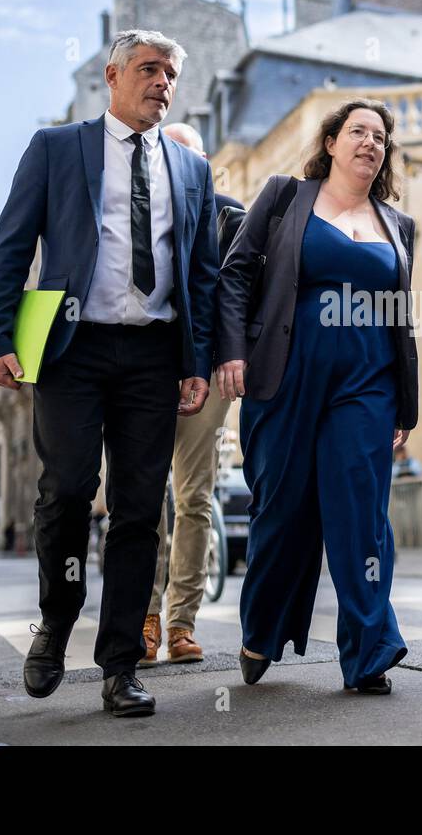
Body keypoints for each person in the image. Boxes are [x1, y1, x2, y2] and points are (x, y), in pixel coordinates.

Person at [0, 28, 218, 717]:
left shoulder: (191, 170)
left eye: (171, 75)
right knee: (67, 491)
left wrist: (194, 361)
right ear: (112, 77)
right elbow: (11, 244)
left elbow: (200, 275)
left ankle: (120, 665)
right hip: (71, 350)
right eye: (148, 69)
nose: (161, 84)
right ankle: (55, 622)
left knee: (141, 508)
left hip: (151, 354)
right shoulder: (57, 149)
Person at [216, 97, 418, 695]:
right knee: (284, 511)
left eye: (380, 136)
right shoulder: (284, 197)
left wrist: (404, 403)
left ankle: (369, 651)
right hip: (285, 375)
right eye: (357, 131)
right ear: (331, 142)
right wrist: (230, 351)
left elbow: (400, 317)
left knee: (362, 514)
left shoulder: (398, 225)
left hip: (367, 382)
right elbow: (236, 274)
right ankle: (262, 629)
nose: (370, 143)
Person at [137, 121, 243, 666]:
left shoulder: (231, 215)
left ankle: (181, 624)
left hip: (206, 371)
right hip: (142, 370)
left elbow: (242, 295)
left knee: (194, 497)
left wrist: (230, 357)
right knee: (142, 500)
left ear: (204, 162)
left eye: (187, 155)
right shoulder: (138, 211)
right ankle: (146, 620)